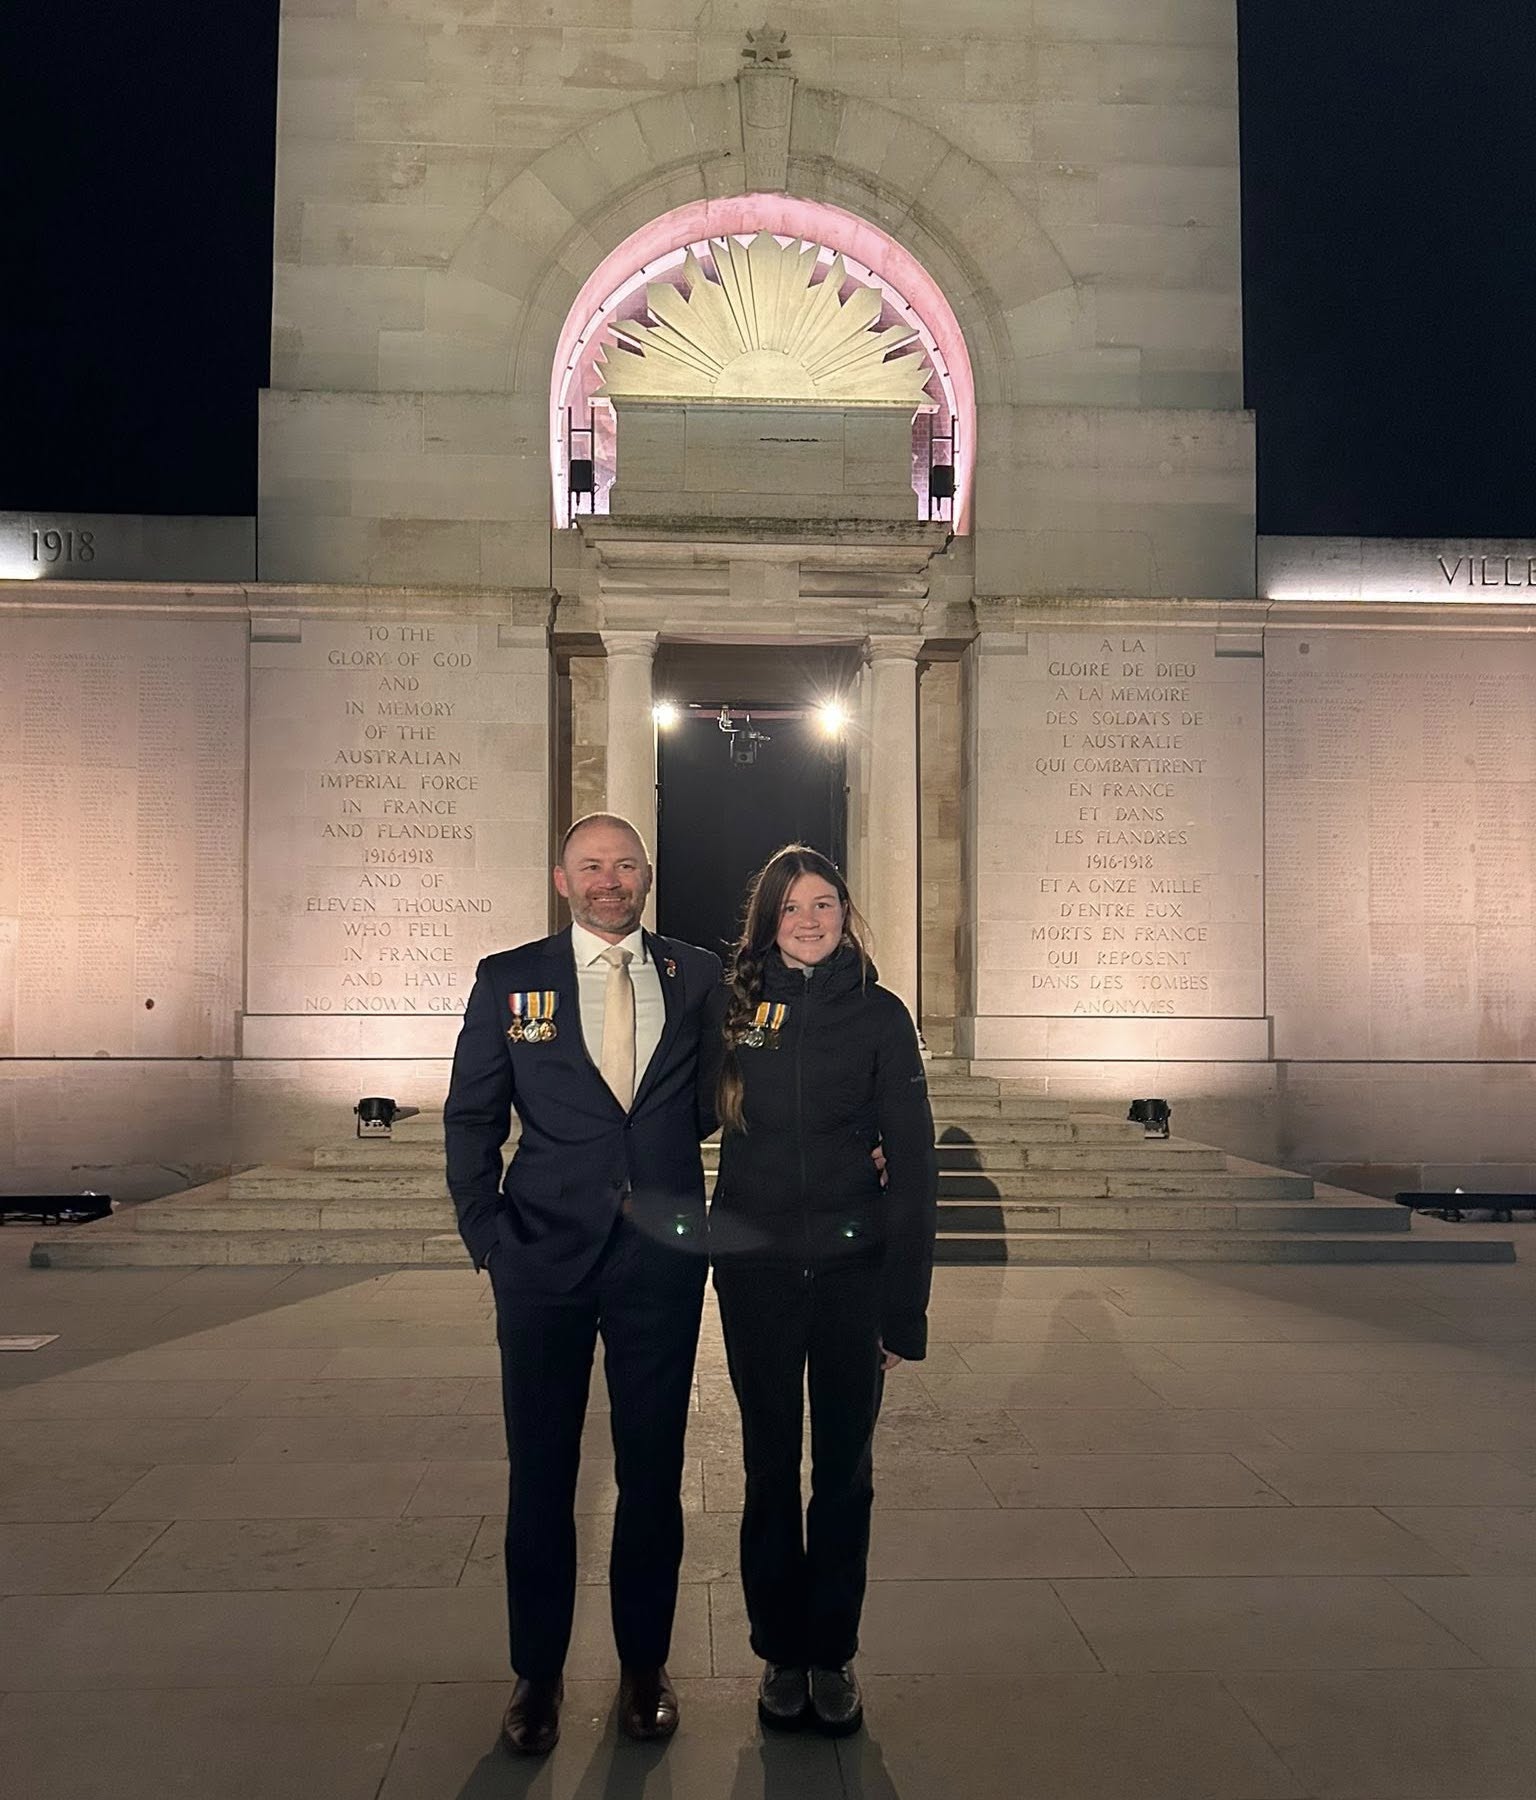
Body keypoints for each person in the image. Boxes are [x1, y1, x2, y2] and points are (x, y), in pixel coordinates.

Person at [444, 813, 721, 1756]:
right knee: (542, 1476)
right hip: (541, 1262)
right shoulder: (508, 978)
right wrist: (489, 1239)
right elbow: (471, 1116)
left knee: (652, 1478)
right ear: (562, 880)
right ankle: (538, 1675)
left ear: (648, 876)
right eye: (591, 866)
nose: (610, 880)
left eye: (626, 865)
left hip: (659, 1264)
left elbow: (736, 1095)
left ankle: (645, 1666)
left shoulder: (698, 977)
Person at [701, 844, 937, 1737]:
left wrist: (901, 1311)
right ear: (770, 918)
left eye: (827, 904)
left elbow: (913, 1166)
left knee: (843, 1475)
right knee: (768, 1471)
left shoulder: (880, 1015)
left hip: (851, 1276)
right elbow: (675, 1111)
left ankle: (832, 1653)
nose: (812, 920)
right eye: (794, 906)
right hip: (756, 1274)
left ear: (846, 914)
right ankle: (779, 1652)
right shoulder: (730, 1010)